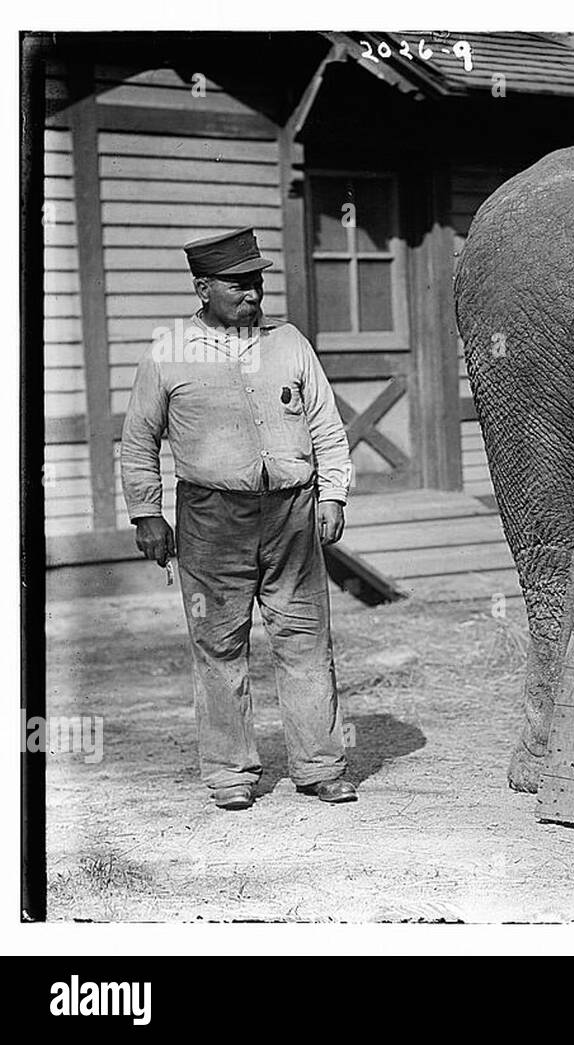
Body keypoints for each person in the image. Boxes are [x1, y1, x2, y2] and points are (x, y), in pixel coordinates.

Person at [120, 226, 357, 811]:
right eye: (237, 286)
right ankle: (230, 774)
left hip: (292, 514)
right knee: (219, 644)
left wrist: (333, 494)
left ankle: (320, 767)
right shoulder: (169, 350)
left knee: (304, 638)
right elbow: (138, 439)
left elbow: (325, 423)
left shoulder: (289, 342)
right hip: (210, 518)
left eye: (257, 283)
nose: (252, 296)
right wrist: (146, 513)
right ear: (203, 288)